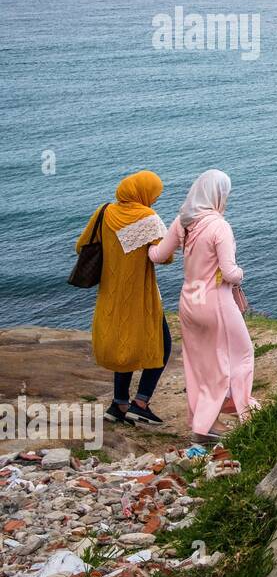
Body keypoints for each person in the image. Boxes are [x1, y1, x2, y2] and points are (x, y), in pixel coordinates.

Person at [149, 169, 256, 440]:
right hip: (215, 303)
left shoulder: (182, 222)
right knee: (241, 355)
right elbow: (230, 273)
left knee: (200, 365)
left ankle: (208, 422)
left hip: (189, 303)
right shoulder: (219, 226)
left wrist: (142, 243)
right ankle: (242, 410)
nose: (227, 199)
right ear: (217, 194)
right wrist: (242, 273)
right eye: (226, 194)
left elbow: (159, 255)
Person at [76, 170, 174, 426]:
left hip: (111, 294)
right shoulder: (147, 218)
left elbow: (81, 246)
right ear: (143, 193)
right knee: (163, 345)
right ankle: (140, 404)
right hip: (140, 296)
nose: (154, 200)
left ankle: (119, 404)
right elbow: (165, 256)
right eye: (154, 194)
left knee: (123, 344)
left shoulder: (105, 211)